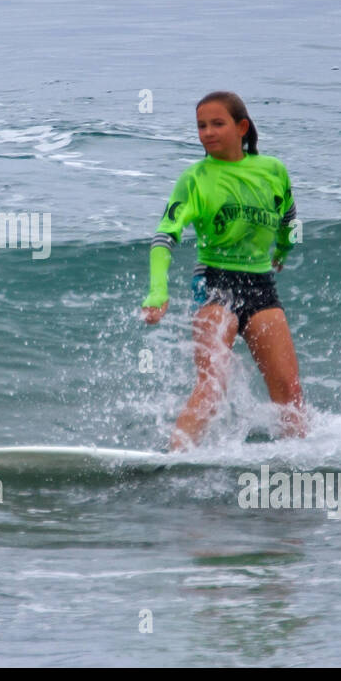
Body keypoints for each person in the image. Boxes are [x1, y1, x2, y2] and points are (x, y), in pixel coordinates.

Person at [141, 92, 308, 447]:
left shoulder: (273, 170)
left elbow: (290, 218)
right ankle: (174, 457)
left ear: (242, 127)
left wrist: (283, 250)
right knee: (212, 384)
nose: (207, 133)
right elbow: (163, 237)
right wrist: (158, 292)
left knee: (289, 393)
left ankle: (300, 459)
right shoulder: (196, 178)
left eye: (217, 124)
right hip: (216, 283)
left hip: (262, 286)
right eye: (201, 125)